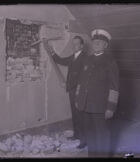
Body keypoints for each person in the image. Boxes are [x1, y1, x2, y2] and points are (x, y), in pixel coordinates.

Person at [75, 29, 120, 157]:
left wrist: (110, 108)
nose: (96, 45)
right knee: (90, 134)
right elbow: (81, 81)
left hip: (101, 107)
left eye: (99, 43)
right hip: (85, 105)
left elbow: (114, 87)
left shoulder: (110, 62)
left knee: (103, 137)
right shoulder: (87, 60)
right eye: (94, 42)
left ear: (105, 45)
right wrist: (78, 100)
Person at [43, 35, 88, 149]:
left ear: (82, 45)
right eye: (74, 44)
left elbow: (84, 78)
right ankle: (77, 135)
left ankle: (84, 140)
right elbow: (60, 60)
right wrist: (51, 50)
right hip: (72, 90)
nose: (75, 46)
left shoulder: (85, 58)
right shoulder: (74, 56)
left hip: (80, 91)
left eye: (77, 44)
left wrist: (68, 84)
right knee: (74, 113)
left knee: (80, 115)